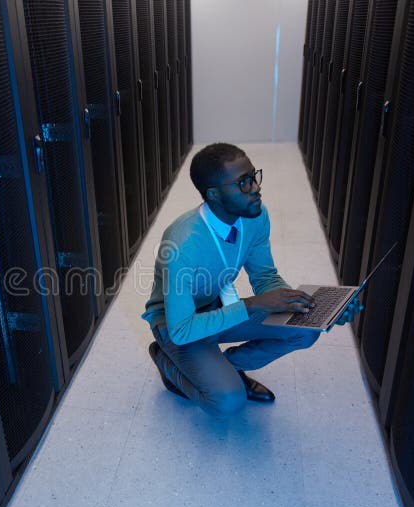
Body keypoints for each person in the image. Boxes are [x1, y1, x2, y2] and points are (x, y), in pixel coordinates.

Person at [141, 143, 361, 417]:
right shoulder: (181, 244)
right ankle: (167, 363)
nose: (255, 187)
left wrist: (313, 311)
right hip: (176, 323)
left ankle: (230, 367)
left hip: (217, 307)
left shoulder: (254, 216)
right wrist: (252, 305)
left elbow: (265, 276)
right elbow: (182, 329)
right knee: (227, 401)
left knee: (305, 330)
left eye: (254, 176)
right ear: (214, 194)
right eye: (243, 183)